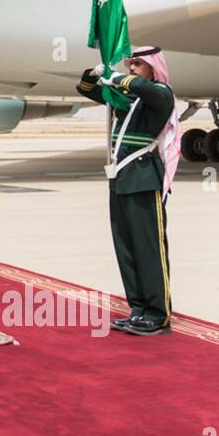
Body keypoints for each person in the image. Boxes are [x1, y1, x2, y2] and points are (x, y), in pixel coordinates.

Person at [76, 45, 180, 336]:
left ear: (152, 67)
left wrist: (117, 76)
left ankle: (158, 314)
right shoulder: (128, 100)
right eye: (130, 63)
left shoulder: (161, 94)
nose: (131, 68)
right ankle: (138, 309)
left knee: (149, 250)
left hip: (144, 179)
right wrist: (96, 74)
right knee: (127, 249)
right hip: (121, 179)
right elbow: (86, 89)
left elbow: (142, 88)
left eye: (137, 64)